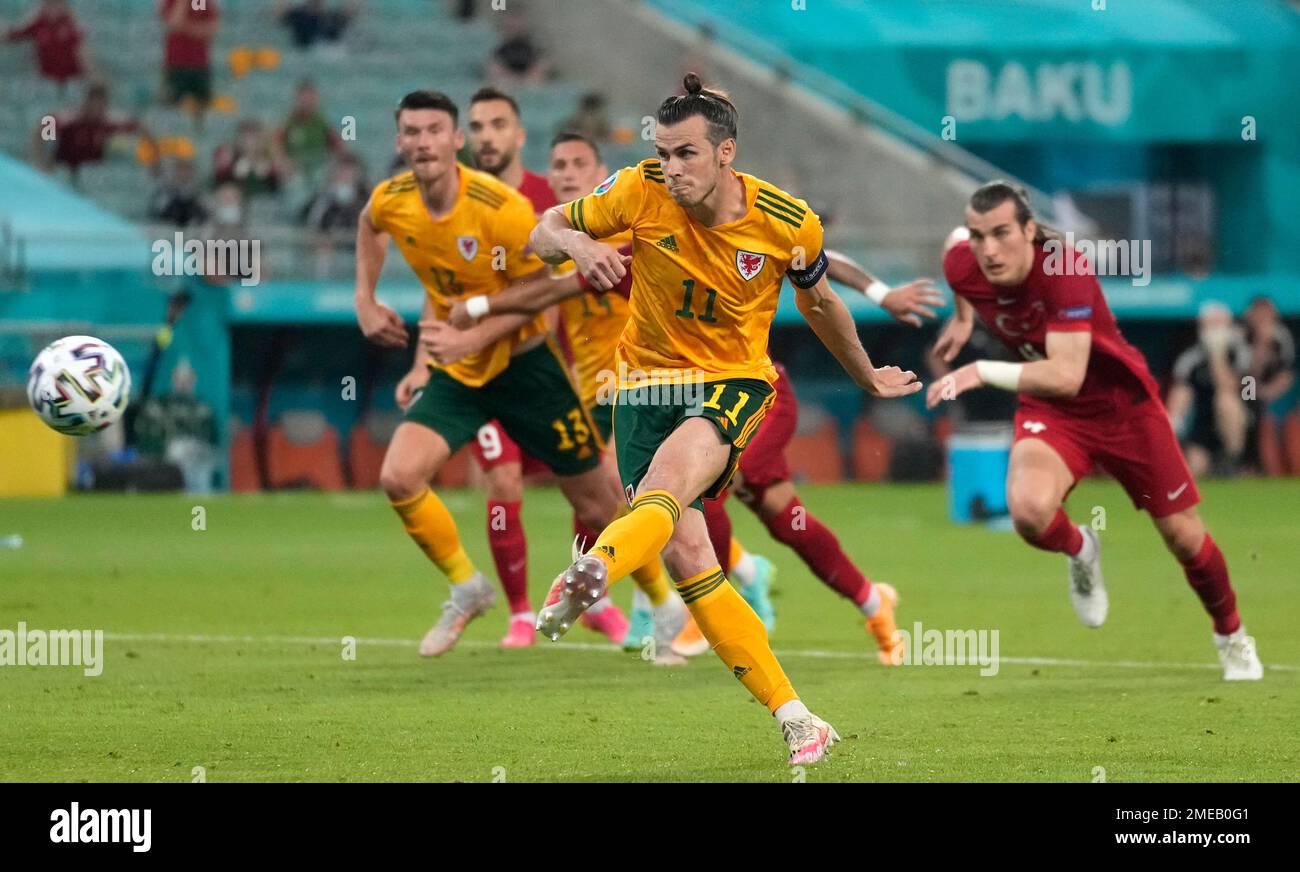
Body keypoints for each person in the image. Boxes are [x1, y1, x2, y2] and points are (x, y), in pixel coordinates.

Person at [527, 75, 921, 764]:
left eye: (685, 154)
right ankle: (800, 719)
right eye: (663, 152)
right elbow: (543, 231)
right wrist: (579, 244)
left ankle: (593, 571)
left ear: (725, 152)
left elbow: (822, 304)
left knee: (671, 486)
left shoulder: (785, 219)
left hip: (732, 384)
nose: (671, 168)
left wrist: (866, 374)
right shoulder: (636, 189)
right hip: (644, 384)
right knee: (688, 557)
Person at [353, 90, 682, 659]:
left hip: (527, 367)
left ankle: (661, 601)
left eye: (435, 131)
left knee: (597, 499)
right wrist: (365, 299)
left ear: (455, 142)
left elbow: (540, 292)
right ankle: (468, 587)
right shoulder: (392, 200)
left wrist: (473, 332)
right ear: (399, 140)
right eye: (412, 132)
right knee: (399, 477)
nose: (423, 142)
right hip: (460, 373)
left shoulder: (498, 207)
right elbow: (369, 225)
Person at [926, 181, 1261, 682]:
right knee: (1030, 512)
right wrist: (962, 316)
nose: (988, 249)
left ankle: (1231, 636)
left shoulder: (1064, 271)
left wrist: (980, 371)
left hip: (1123, 409)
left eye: (1001, 233)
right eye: (978, 236)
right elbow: (954, 252)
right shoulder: (963, 261)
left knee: (1183, 537)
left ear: (1029, 230)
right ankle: (1082, 548)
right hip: (1053, 410)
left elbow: (1067, 374)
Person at [1166, 302, 1252, 477]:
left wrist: (1217, 354)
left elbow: (1230, 387)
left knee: (1225, 401)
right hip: (1204, 426)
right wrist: (1172, 423)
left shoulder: (1241, 352)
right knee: (1195, 468)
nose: (1213, 330)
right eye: (1209, 325)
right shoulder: (1190, 359)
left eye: (1218, 324)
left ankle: (1233, 459)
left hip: (1242, 423)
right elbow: (1179, 399)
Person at [31, 82, 150, 177]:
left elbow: (141, 129)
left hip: (93, 173)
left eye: (101, 104)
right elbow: (42, 130)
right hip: (64, 168)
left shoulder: (109, 121)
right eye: (94, 103)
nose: (97, 108)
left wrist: (154, 164)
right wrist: (40, 161)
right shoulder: (68, 119)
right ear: (86, 103)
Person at [5, 0, 89, 91]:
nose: (53, 8)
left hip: (72, 79)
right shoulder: (38, 23)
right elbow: (13, 35)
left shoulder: (72, 24)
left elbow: (83, 50)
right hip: (46, 80)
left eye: (57, 4)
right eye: (50, 4)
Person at [159, 0, 218, 119]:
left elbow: (211, 28)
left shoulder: (201, 2)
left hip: (200, 65)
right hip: (177, 65)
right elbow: (174, 24)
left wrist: (186, 28)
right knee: (173, 109)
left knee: (203, 109)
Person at [212, 119, 285, 198]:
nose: (250, 143)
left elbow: (278, 188)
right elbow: (218, 186)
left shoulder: (271, 167)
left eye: (254, 138)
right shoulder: (229, 166)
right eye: (246, 138)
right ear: (239, 142)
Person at [149, 157, 208, 228]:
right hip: (171, 217)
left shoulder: (197, 189)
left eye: (187, 171)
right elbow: (160, 208)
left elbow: (202, 208)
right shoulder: (168, 187)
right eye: (181, 171)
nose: (184, 174)